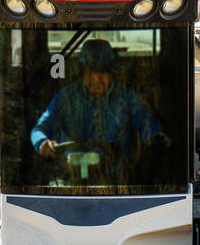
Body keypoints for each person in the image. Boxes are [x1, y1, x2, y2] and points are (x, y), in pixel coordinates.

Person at [30, 38, 167, 175]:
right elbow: (39, 129)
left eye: (102, 72)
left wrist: (156, 137)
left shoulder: (127, 99)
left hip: (114, 179)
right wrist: (42, 142)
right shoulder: (66, 97)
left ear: (111, 74)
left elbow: (147, 124)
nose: (95, 78)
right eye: (90, 71)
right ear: (82, 72)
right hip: (70, 178)